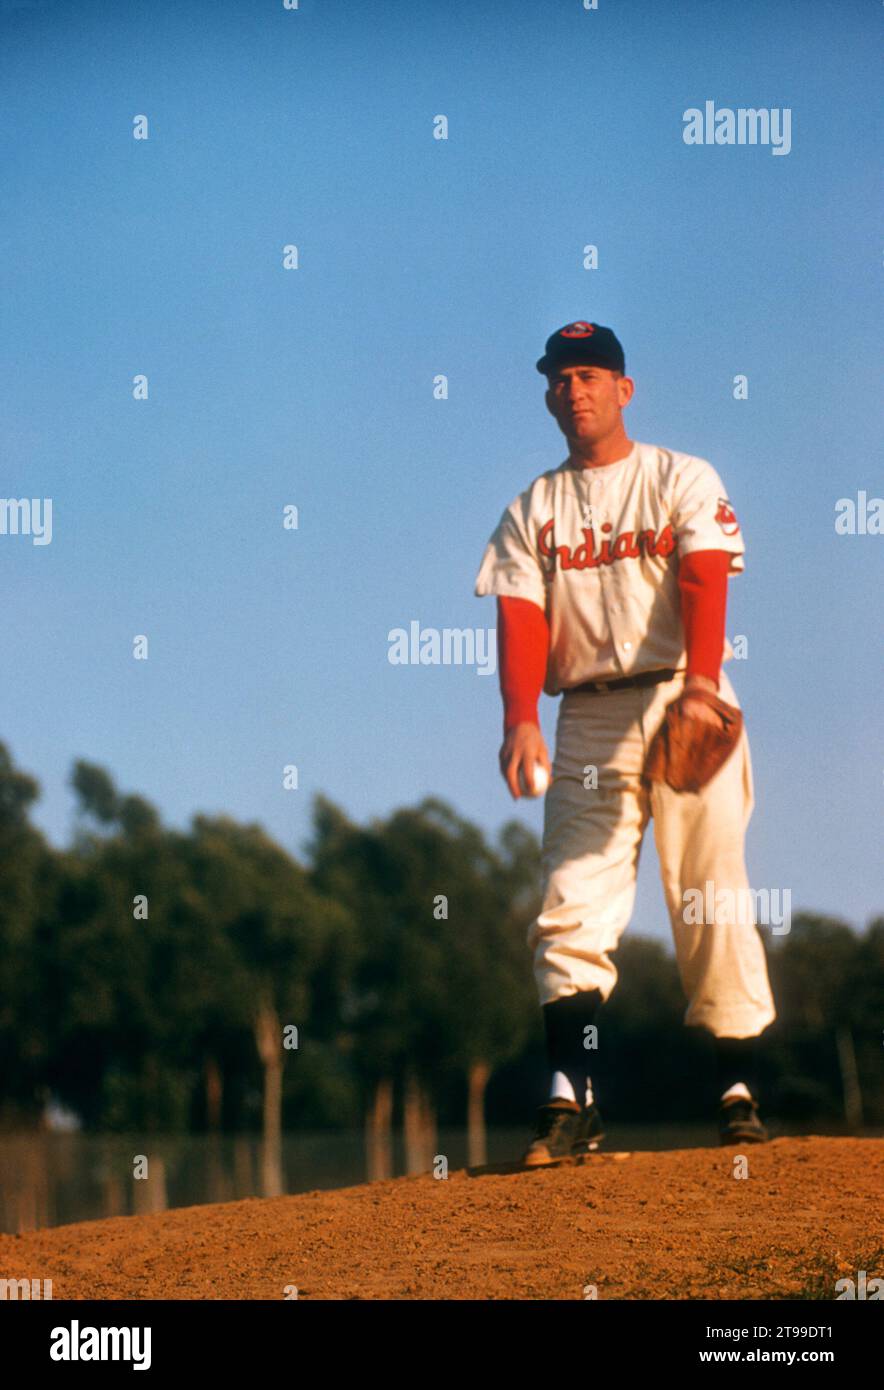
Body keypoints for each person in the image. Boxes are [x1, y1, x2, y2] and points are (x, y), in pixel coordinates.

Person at [474, 320, 777, 1164]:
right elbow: (519, 612)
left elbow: (703, 574)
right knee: (571, 898)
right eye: (560, 379)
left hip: (686, 689)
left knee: (708, 889)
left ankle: (736, 1089)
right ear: (547, 396)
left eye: (589, 374)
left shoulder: (680, 475)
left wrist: (707, 685)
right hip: (587, 716)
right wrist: (518, 718)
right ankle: (572, 1097)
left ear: (622, 388)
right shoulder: (532, 508)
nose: (574, 390)